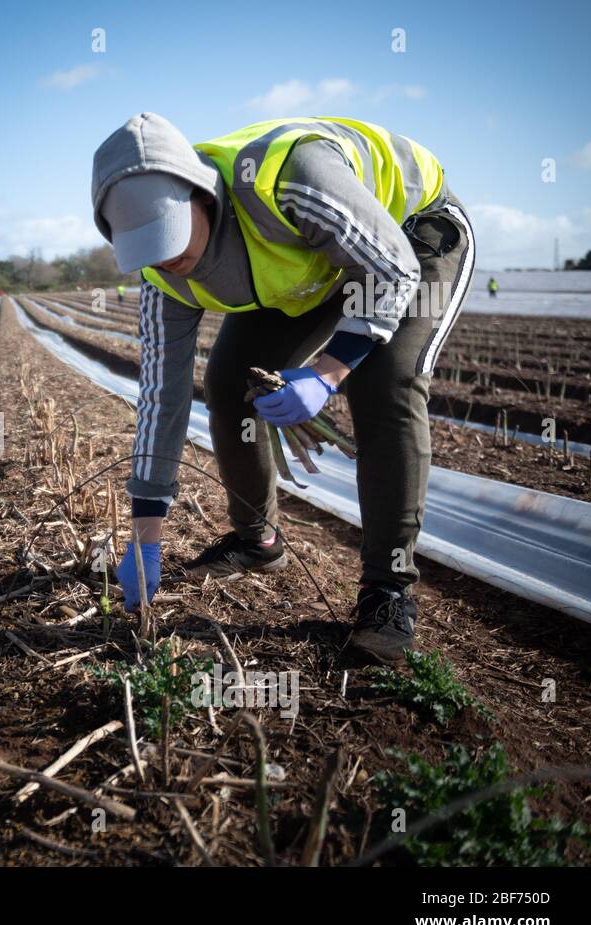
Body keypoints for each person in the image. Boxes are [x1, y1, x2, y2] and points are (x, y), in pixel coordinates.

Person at [91, 113, 475, 663]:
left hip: (413, 238)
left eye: (171, 237)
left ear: (202, 195)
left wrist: (327, 372)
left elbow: (393, 271)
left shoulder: (287, 178)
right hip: (317, 262)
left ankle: (387, 591)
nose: (169, 260)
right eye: (147, 248)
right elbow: (161, 397)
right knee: (227, 383)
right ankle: (258, 540)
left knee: (385, 387)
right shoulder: (162, 280)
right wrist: (146, 535)